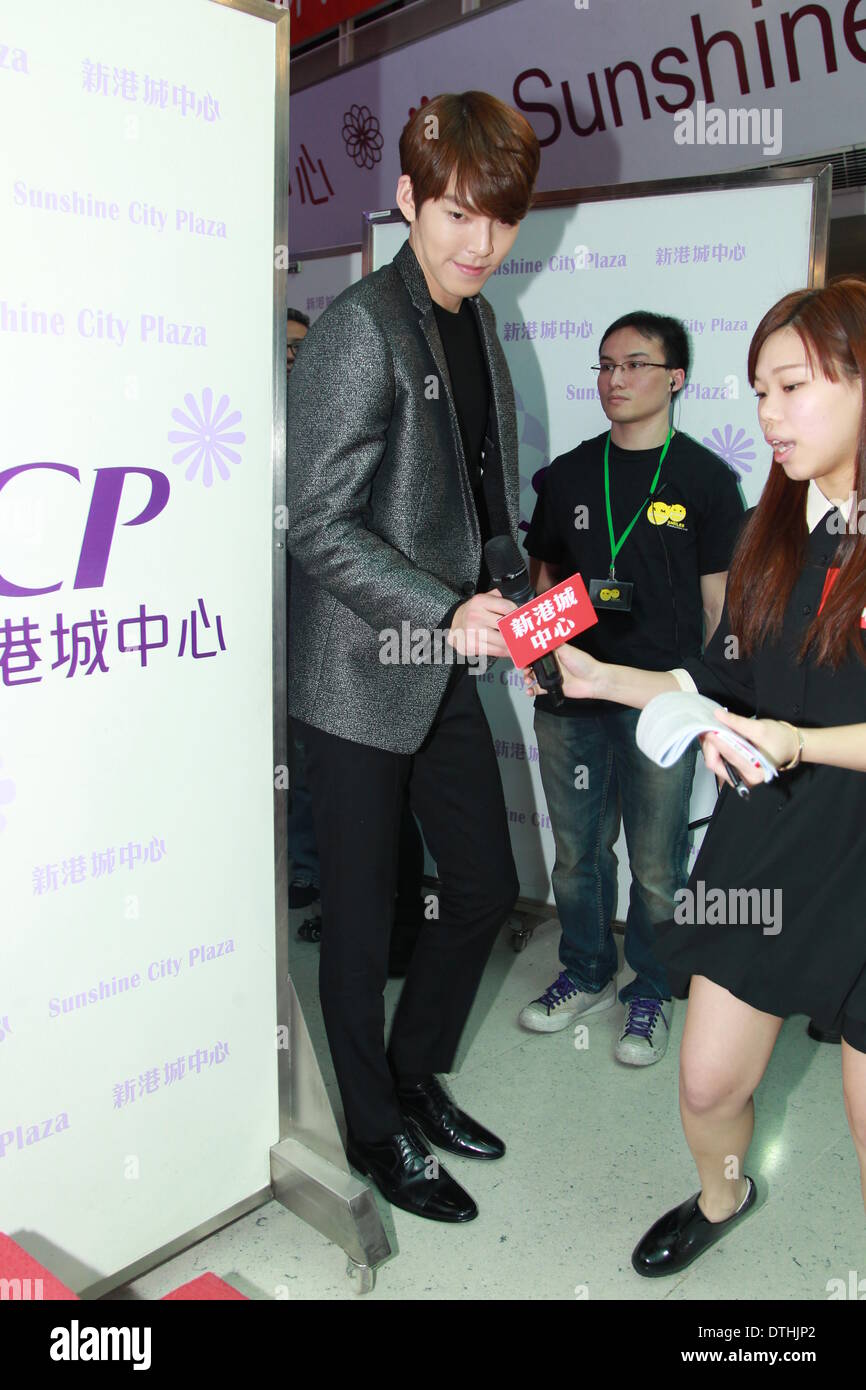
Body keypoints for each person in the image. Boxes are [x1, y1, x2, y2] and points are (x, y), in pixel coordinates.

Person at [530, 277, 866, 1274]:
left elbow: (791, 727)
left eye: (792, 385)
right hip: (767, 841)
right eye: (758, 389)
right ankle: (722, 1194)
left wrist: (799, 741)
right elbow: (710, 677)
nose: (767, 412)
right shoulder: (778, 525)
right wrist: (605, 676)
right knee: (706, 1085)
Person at [285, 92, 540, 1224]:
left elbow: (484, 504)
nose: (474, 241)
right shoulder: (359, 326)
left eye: (495, 219)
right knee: (361, 916)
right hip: (353, 678)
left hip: (438, 665)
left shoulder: (478, 322)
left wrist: (528, 615)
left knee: (480, 884)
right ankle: (373, 1127)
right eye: (451, 213)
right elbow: (320, 524)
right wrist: (445, 615)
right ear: (406, 203)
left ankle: (414, 1070)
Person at [519, 312, 744, 1065]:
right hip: (570, 697)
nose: (616, 380)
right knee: (578, 854)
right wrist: (532, 650)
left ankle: (650, 986)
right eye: (606, 365)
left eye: (636, 365)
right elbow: (545, 576)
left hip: (660, 703)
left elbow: (720, 604)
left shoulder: (708, 481)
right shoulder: (574, 471)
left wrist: (713, 705)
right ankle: (584, 970)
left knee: (655, 865)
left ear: (675, 378)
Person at [284, 307, 321, 911]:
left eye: (299, 349)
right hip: (261, 630)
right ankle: (295, 869)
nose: (291, 359)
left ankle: (320, 878)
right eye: (280, 348)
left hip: (323, 626)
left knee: (318, 769)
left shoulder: (331, 428)